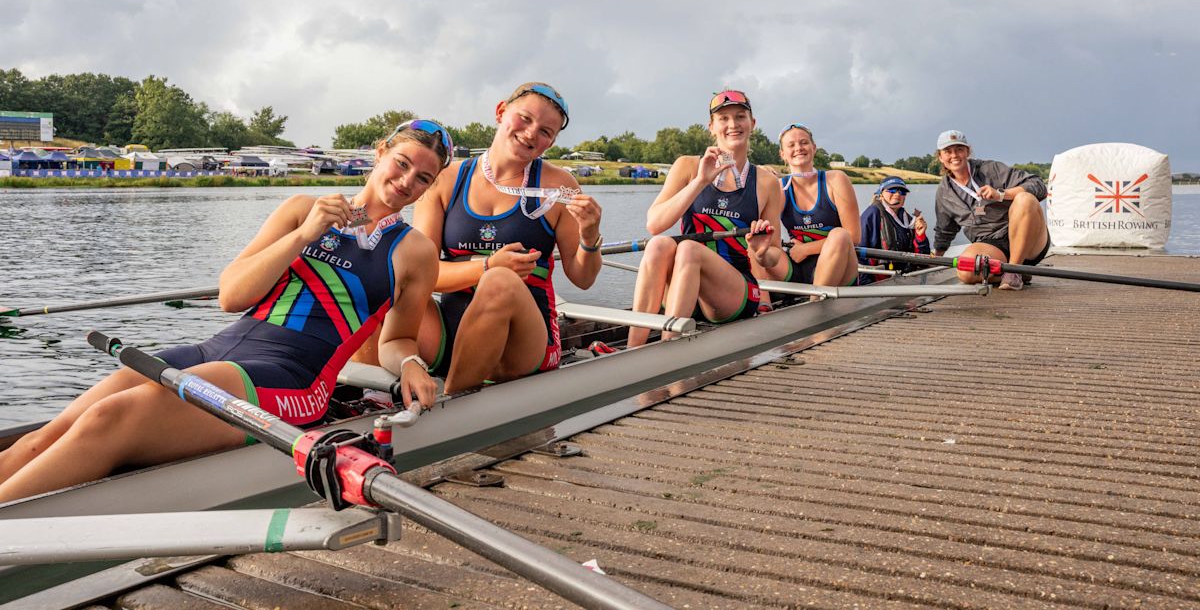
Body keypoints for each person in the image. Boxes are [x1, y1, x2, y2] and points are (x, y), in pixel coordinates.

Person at [0, 120, 453, 503]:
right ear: (380, 153)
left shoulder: (413, 252)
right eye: (403, 164)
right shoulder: (302, 209)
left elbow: (395, 340)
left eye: (423, 179)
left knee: (106, 420)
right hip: (216, 348)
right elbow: (232, 297)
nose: (406, 182)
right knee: (47, 435)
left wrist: (411, 363)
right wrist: (306, 233)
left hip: (291, 378)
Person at [407, 82, 603, 393]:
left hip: (523, 343)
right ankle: (371, 391)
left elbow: (582, 278)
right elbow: (419, 274)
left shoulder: (558, 185)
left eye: (545, 132)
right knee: (383, 279)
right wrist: (487, 265)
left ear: (550, 142)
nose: (530, 134)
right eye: (525, 119)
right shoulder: (446, 180)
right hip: (450, 334)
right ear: (501, 112)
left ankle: (451, 401)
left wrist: (590, 235)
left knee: (500, 281)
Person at [627, 89, 783, 347]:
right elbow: (655, 224)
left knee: (688, 249)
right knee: (659, 244)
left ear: (752, 124)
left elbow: (774, 255)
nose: (733, 124)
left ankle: (668, 350)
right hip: (684, 286)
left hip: (734, 293)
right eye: (723, 119)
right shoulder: (687, 166)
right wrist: (700, 181)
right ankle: (634, 350)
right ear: (712, 127)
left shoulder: (766, 182)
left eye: (740, 116)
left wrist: (761, 253)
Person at [932, 129, 1050, 290]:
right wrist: (935, 257)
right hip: (991, 246)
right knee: (965, 272)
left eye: (959, 149)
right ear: (940, 156)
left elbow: (1039, 185)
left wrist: (1001, 194)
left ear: (967, 151)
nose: (954, 155)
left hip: (1025, 238)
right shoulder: (944, 191)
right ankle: (1012, 271)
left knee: (1025, 198)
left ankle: (1014, 270)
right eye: (948, 151)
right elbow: (945, 230)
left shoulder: (990, 169)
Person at [762, 124, 860, 290]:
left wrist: (805, 249)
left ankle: (815, 302)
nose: (799, 148)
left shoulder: (836, 180)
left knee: (840, 235)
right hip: (796, 265)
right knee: (758, 243)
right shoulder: (779, 188)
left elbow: (854, 236)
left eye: (804, 143)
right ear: (783, 154)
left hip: (838, 266)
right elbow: (765, 234)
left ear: (814, 148)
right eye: (791, 145)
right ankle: (764, 303)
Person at [858, 175, 930, 281]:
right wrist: (867, 285)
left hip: (905, 278)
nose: (897, 194)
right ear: (881, 193)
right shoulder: (871, 214)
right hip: (879, 281)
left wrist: (921, 236)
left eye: (902, 192)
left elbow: (923, 259)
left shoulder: (908, 219)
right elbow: (859, 255)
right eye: (891, 190)